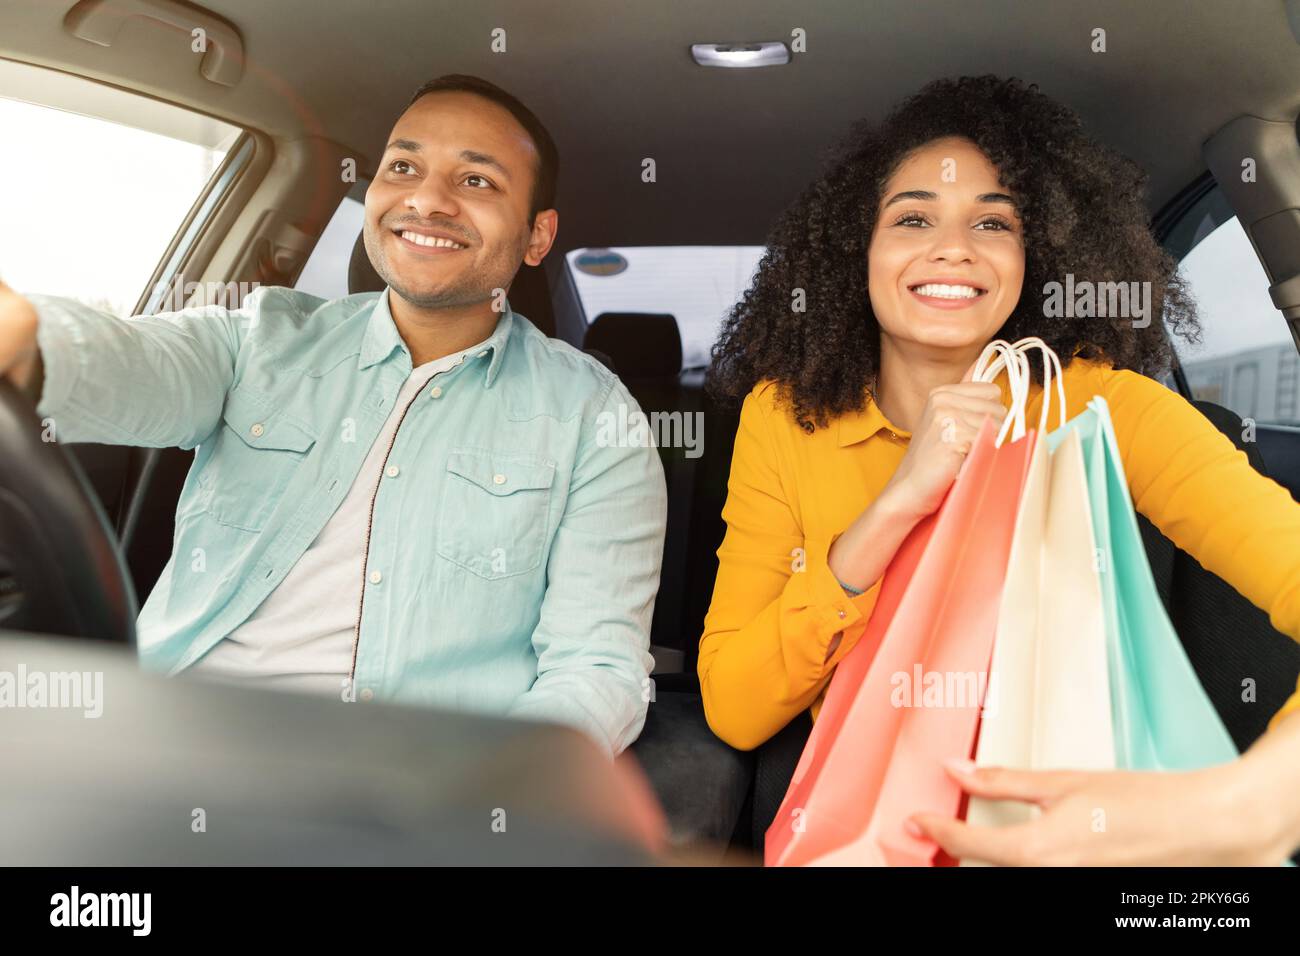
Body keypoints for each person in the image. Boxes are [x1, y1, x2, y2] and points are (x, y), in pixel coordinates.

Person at [701, 75, 1300, 863]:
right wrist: (894, 509)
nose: (953, 248)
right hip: (874, 827)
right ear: (860, 250)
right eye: (913, 217)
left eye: (994, 222)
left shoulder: (1104, 408)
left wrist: (1249, 803)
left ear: (1037, 256)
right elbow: (734, 708)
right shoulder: (785, 417)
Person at [0, 74, 666, 758]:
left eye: (477, 182)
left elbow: (595, 668)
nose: (427, 199)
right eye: (403, 166)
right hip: (170, 746)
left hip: (411, 792)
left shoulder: (594, 418)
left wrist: (496, 791)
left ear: (537, 236)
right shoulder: (259, 339)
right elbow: (132, 364)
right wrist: (26, 343)